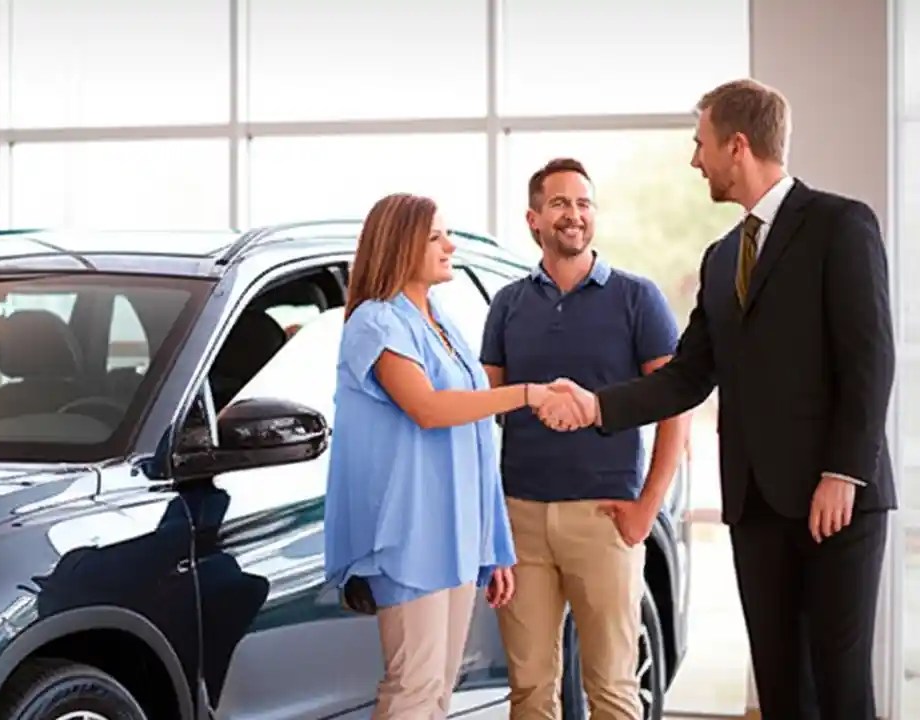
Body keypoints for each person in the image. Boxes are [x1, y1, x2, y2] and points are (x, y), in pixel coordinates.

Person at [538, 78, 896, 719]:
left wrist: (843, 472)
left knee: (841, 693)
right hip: (757, 507)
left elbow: (870, 360)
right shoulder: (722, 255)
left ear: (737, 145)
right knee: (782, 691)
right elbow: (687, 375)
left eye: (700, 144)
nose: (694, 159)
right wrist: (596, 407)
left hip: (834, 501)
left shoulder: (840, 225)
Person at [479, 158, 690, 720]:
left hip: (604, 518)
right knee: (528, 689)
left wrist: (647, 509)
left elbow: (677, 407)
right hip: (520, 518)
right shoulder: (508, 305)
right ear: (534, 219)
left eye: (583, 203)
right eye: (559, 204)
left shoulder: (636, 298)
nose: (573, 215)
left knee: (613, 689)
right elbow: (482, 412)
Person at [324, 192, 538, 719]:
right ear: (401, 245)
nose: (451, 245)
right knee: (414, 688)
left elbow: (477, 438)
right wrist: (527, 393)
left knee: (438, 692)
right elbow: (428, 408)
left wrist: (495, 545)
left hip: (458, 539)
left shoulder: (441, 322)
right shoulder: (375, 323)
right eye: (436, 236)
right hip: (410, 537)